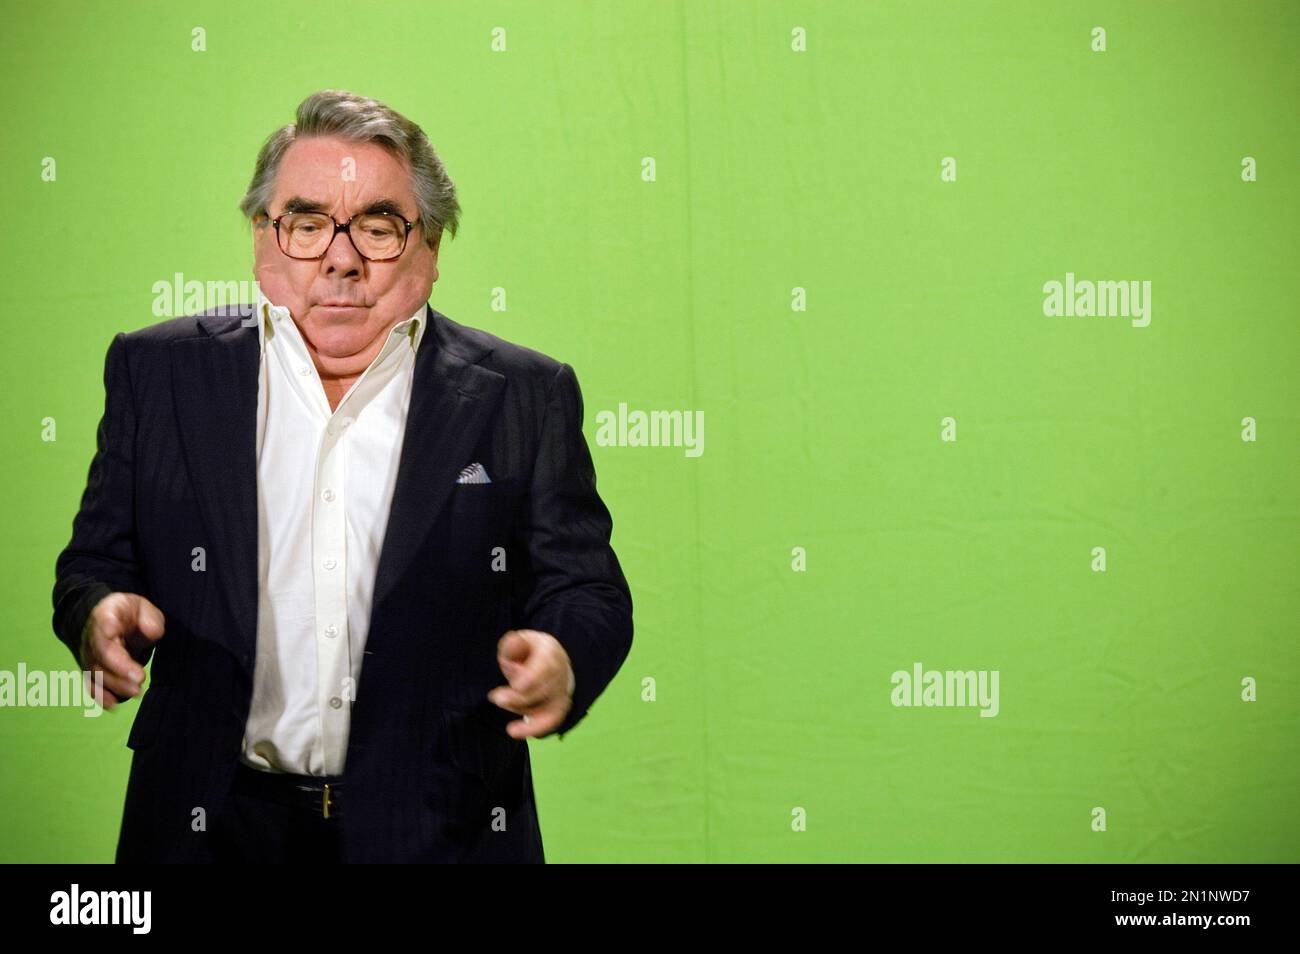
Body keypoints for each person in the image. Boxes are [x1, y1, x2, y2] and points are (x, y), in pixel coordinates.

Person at [50, 89, 634, 863]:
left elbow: (587, 589)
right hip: (208, 826)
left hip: (444, 828)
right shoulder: (158, 372)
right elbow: (93, 565)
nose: (340, 255)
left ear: (429, 250)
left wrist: (562, 651)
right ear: (264, 240)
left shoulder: (522, 393)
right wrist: (98, 615)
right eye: (307, 221)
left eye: (379, 226)